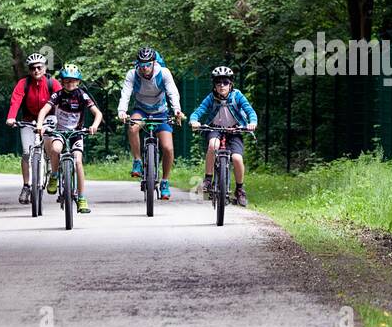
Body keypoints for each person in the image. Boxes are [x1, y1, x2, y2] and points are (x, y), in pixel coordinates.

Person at [116, 47, 185, 200]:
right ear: (137, 64)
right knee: (133, 127)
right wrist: (122, 111)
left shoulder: (163, 73)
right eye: (142, 64)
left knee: (168, 147)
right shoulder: (132, 74)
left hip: (161, 111)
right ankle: (137, 160)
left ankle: (165, 181)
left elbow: (172, 92)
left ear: (154, 63)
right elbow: (125, 93)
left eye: (148, 64)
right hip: (141, 110)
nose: (145, 68)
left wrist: (177, 110)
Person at [34, 63, 103, 213]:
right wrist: (40, 124)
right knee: (55, 148)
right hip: (60, 132)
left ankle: (82, 198)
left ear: (78, 82)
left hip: (77, 133)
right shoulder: (58, 95)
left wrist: (94, 126)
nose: (69, 83)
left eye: (73, 81)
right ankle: (54, 175)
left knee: (78, 161)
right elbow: (44, 110)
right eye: (66, 81)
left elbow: (98, 114)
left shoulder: (82, 95)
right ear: (62, 82)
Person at [189, 65, 257, 207]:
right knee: (213, 145)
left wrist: (252, 122)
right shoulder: (210, 98)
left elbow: (250, 110)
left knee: (237, 158)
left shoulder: (237, 95)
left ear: (231, 84)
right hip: (215, 129)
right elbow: (198, 111)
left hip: (235, 130)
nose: (222, 85)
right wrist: (194, 120)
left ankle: (239, 189)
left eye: (225, 82)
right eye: (218, 82)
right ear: (214, 85)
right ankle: (208, 179)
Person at [4, 52, 60, 203]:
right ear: (29, 70)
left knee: (52, 148)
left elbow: (61, 101)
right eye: (32, 68)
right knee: (26, 152)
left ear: (45, 68)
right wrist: (11, 117)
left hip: (49, 118)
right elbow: (16, 101)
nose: (36, 70)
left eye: (39, 67)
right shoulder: (23, 83)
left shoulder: (52, 83)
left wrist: (60, 119)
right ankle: (27, 186)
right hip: (29, 120)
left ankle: (54, 173)